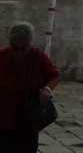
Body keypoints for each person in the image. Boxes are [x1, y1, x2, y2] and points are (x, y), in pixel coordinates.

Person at [0, 22, 61, 153]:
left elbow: (55, 75)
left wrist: (46, 90)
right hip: (3, 117)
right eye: (14, 48)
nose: (18, 53)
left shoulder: (37, 57)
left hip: (26, 119)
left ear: (29, 45)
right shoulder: (2, 56)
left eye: (23, 49)